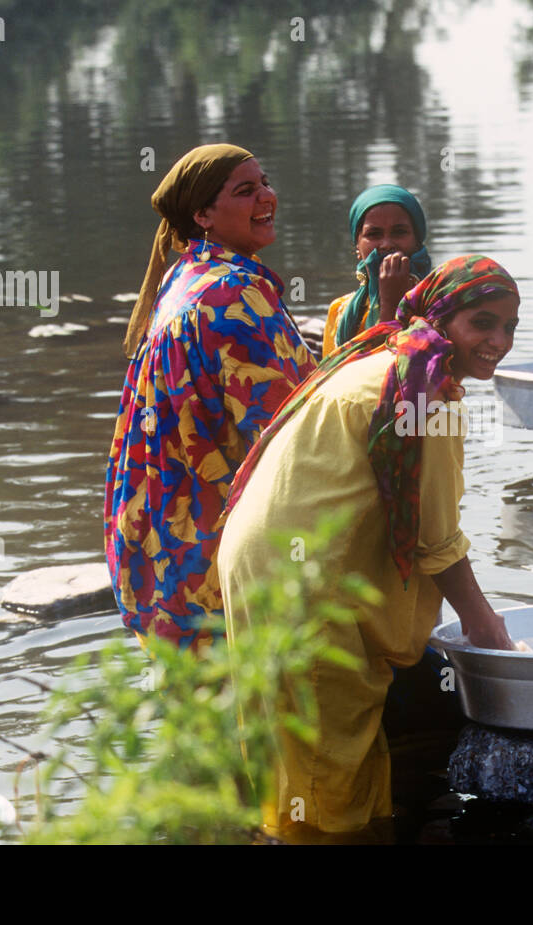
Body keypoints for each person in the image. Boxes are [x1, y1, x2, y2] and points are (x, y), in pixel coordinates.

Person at [217, 255, 517, 837]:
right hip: (302, 576)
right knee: (326, 763)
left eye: (509, 327)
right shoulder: (423, 392)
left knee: (290, 748)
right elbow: (437, 542)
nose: (498, 341)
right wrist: (490, 634)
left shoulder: (388, 355)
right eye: (483, 323)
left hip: (263, 558)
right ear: (444, 316)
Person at [104, 144, 316, 650]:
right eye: (245, 191)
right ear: (202, 215)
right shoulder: (233, 296)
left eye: (264, 182)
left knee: (200, 715)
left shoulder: (187, 276)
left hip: (160, 553)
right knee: (259, 715)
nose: (266, 197)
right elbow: (292, 435)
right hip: (216, 553)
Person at [320, 184, 432, 356]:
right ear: (357, 245)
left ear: (417, 240)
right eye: (374, 234)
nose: (387, 244)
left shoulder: (439, 303)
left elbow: (407, 370)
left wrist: (393, 304)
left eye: (399, 232)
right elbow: (332, 377)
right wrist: (388, 301)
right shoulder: (341, 312)